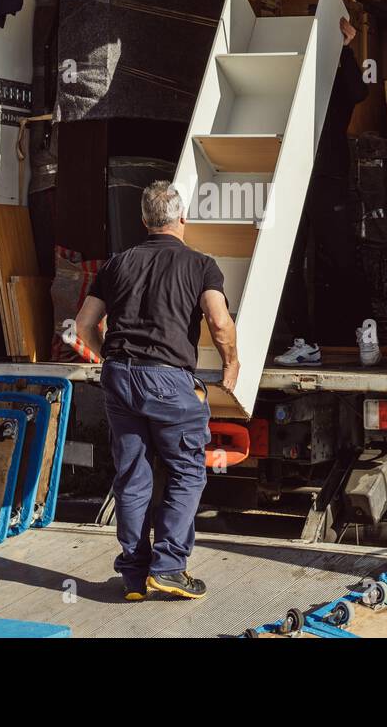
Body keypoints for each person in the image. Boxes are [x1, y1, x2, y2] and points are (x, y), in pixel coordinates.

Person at [73, 181, 239, 601]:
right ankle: (168, 569)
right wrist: (231, 365)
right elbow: (219, 322)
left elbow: (82, 325)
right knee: (186, 472)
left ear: (144, 221)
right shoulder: (201, 264)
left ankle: (134, 575)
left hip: (118, 377)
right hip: (167, 381)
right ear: (182, 218)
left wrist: (104, 357)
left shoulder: (117, 263)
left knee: (133, 474)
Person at [274, 16, 376, 367]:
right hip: (291, 181)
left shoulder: (335, 75)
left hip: (327, 180)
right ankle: (305, 342)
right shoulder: (289, 80)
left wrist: (345, 51)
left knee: (342, 259)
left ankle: (366, 333)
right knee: (288, 262)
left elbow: (360, 92)